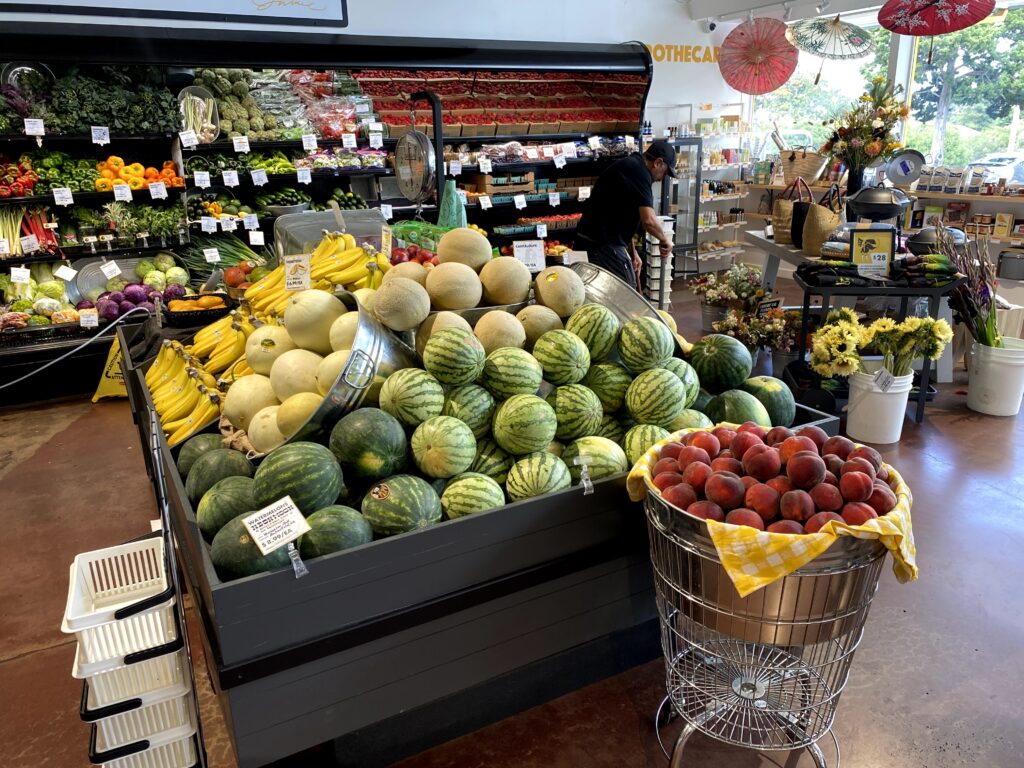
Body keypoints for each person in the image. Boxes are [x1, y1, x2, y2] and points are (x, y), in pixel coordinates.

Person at [576, 140, 675, 286]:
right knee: (625, 292)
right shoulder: (640, 172)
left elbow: (621, 215)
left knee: (609, 292)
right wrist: (664, 239)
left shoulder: (634, 166)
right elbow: (649, 221)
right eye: (665, 172)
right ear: (658, 163)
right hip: (600, 245)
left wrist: (632, 252)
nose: (662, 178)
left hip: (597, 241)